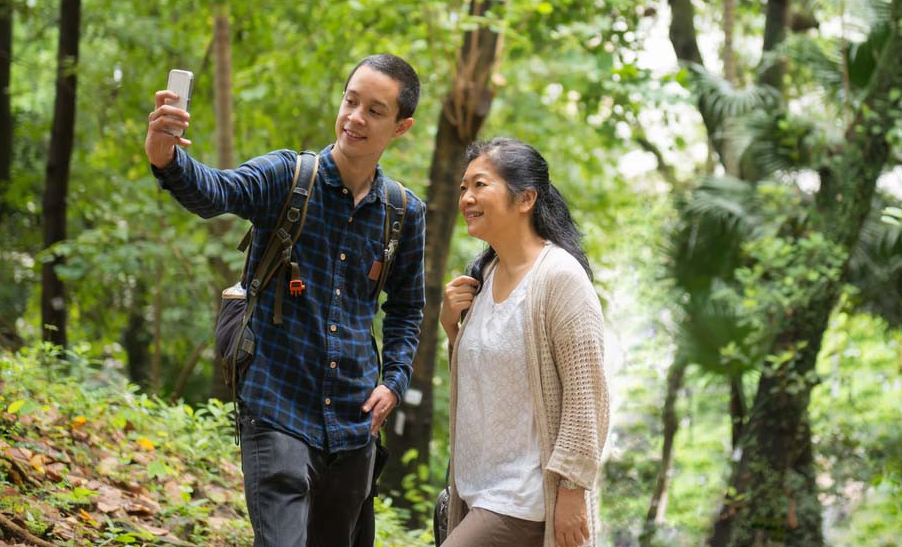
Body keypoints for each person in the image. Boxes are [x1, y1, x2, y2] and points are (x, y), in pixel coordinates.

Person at [143, 54, 426, 547]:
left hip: (354, 421)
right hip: (276, 403)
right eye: (350, 100)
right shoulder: (289, 177)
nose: (355, 118)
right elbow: (216, 192)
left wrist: (395, 381)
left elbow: (405, 309)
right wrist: (166, 155)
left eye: (375, 111)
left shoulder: (404, 214)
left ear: (401, 127)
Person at [438, 138, 609, 547]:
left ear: (526, 198)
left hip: (524, 502)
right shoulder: (483, 275)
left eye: (480, 185)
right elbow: (486, 385)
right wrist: (451, 330)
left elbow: (587, 397)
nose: (467, 198)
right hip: (478, 493)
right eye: (463, 188)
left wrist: (571, 491)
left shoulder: (560, 279)